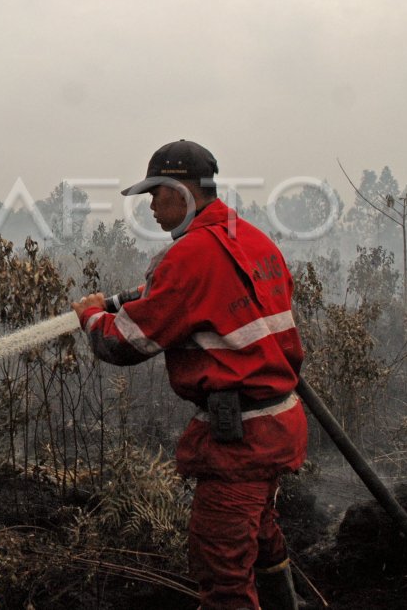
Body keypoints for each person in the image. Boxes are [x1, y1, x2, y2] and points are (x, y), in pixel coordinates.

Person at [72, 140, 306, 610]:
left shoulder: (188, 257)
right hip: (278, 425)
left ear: (179, 189)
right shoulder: (251, 239)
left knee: (222, 569)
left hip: (238, 443)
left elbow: (123, 344)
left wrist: (92, 316)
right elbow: (203, 293)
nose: (152, 209)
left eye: (155, 195)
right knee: (261, 538)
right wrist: (133, 296)